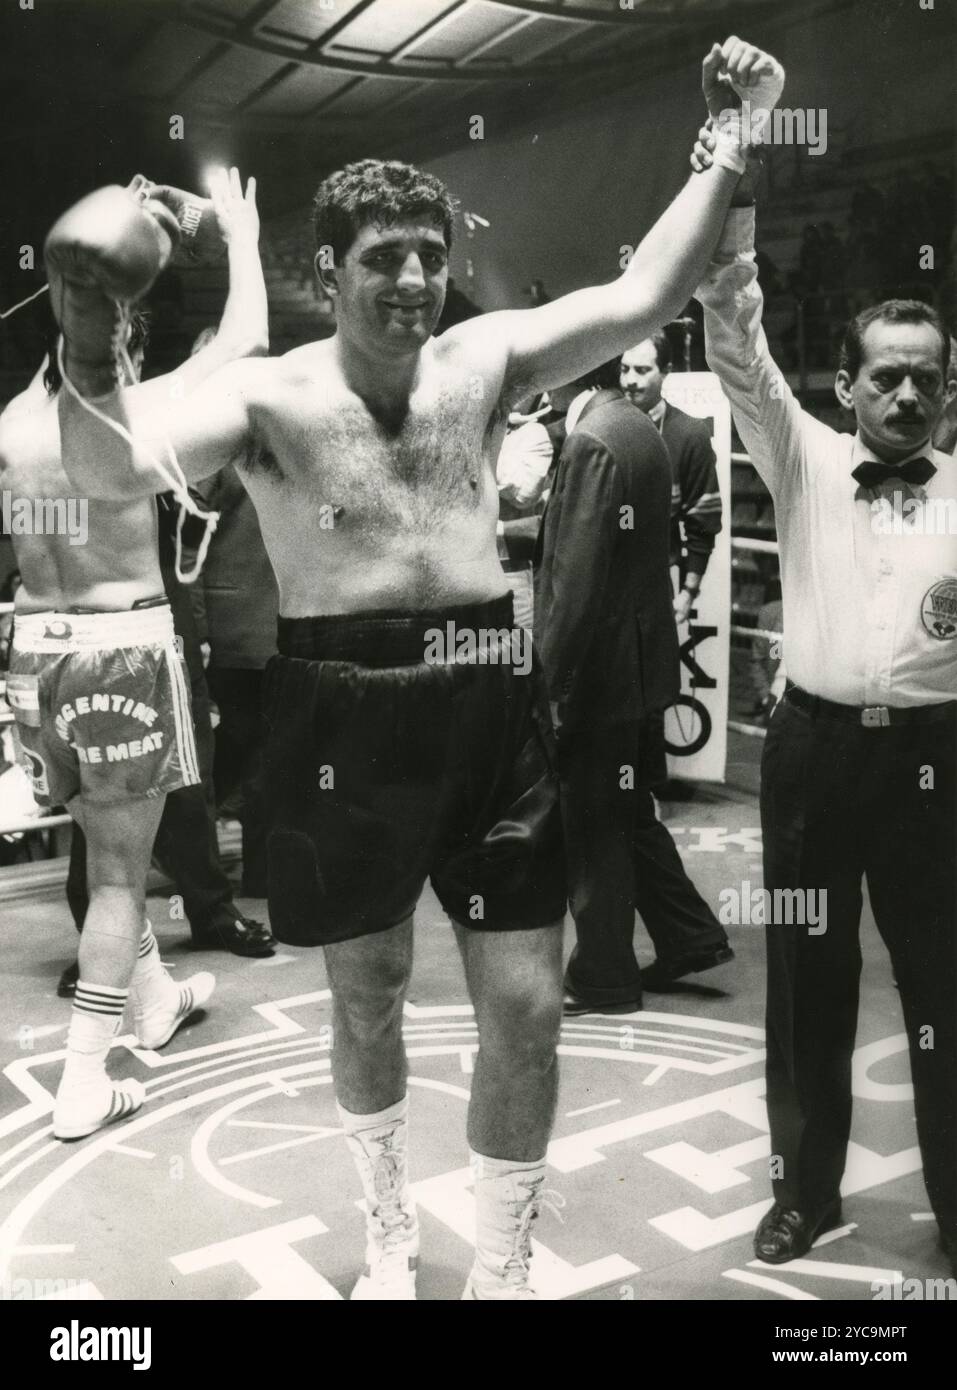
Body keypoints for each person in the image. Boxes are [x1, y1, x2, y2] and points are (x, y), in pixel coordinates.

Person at [50, 36, 786, 1299]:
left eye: (430, 257)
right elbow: (111, 465)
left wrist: (735, 132)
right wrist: (84, 315)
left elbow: (647, 296)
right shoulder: (272, 398)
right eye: (384, 258)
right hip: (339, 708)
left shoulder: (484, 359)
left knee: (530, 1005)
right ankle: (389, 1223)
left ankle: (501, 1259)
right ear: (328, 269)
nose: (413, 280)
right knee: (372, 994)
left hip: (490, 696)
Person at [692, 111, 957, 1273]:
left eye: (927, 381)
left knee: (944, 984)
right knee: (806, 974)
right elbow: (734, 329)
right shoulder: (796, 455)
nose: (906, 396)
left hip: (937, 763)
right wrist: (734, 160)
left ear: (949, 393)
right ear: (844, 385)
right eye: (886, 378)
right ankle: (806, 1192)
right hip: (811, 754)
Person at [0, 169, 266, 1141]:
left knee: (103, 846)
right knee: (120, 875)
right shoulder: (132, 421)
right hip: (119, 654)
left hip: (36, 655)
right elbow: (240, 347)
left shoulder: (11, 424)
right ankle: (83, 1080)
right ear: (123, 333)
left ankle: (150, 999)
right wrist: (238, 233)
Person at [533, 363, 731, 1015]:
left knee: (592, 822)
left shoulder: (591, 440)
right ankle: (687, 934)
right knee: (628, 812)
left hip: (597, 674)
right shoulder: (636, 427)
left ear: (563, 374)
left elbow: (575, 580)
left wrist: (550, 690)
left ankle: (602, 976)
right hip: (639, 665)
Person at [619, 332, 723, 623]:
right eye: (625, 369)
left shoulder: (689, 434)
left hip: (652, 585)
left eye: (642, 370)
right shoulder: (600, 425)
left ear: (666, 372)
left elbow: (702, 521)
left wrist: (688, 591)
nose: (630, 380)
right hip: (599, 581)